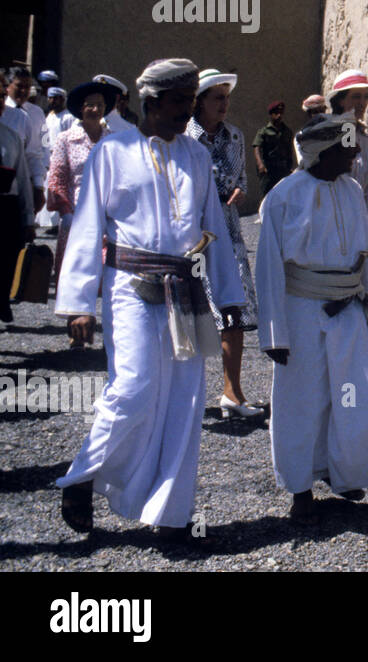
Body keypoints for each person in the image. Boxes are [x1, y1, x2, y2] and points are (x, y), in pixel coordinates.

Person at [56, 59, 244, 541]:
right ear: (153, 101)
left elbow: (215, 228)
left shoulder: (197, 156)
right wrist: (80, 301)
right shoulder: (114, 150)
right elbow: (87, 225)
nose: (188, 110)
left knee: (185, 397)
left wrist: (228, 296)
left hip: (185, 290)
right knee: (135, 388)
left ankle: (171, 514)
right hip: (130, 287)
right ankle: (83, 477)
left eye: (191, 101)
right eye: (180, 101)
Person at [257, 114, 368, 526]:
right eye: (345, 150)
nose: (353, 157)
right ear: (320, 152)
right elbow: (270, 270)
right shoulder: (283, 196)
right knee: (302, 401)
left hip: (347, 310)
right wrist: (273, 332)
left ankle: (343, 472)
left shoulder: (350, 191)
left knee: (350, 393)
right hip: (301, 314)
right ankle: (300, 487)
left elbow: (365, 253)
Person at [186, 68, 262, 419]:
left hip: (230, 236)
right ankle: (187, 397)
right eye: (217, 98)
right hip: (196, 240)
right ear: (199, 102)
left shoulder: (234, 136)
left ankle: (233, 391)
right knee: (195, 315)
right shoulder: (186, 138)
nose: (224, 104)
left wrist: (240, 191)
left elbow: (243, 178)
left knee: (234, 312)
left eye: (227, 97)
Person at [45, 80, 119, 345]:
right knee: (75, 271)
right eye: (90, 104)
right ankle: (76, 332)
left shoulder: (113, 139)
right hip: (76, 214)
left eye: (100, 104)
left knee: (109, 270)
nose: (95, 109)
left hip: (108, 214)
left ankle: (112, 332)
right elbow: (57, 176)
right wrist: (65, 210)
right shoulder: (66, 139)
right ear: (80, 108)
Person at [328, 69, 368, 207]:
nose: (362, 103)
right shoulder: (326, 136)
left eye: (366, 97)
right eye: (356, 97)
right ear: (340, 100)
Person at [0, 118, 34, 325]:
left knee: (5, 266)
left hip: (5, 210)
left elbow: (22, 178)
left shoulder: (11, 137)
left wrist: (28, 219)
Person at [3, 66, 45, 218]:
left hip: (20, 186)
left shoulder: (34, 113)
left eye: (28, 87)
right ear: (7, 86)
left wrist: (39, 186)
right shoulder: (4, 112)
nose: (24, 91)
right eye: (19, 86)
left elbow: (36, 152)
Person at [37, 87, 75, 233]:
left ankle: (59, 223)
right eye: (50, 98)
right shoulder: (48, 117)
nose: (52, 101)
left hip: (63, 159)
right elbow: (44, 139)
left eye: (56, 98)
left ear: (62, 99)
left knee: (61, 190)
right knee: (50, 189)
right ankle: (47, 223)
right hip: (49, 158)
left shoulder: (69, 117)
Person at [253, 100, 297, 196]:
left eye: (281, 113)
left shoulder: (287, 131)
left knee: (285, 194)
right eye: (276, 113)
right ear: (271, 114)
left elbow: (289, 149)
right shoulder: (264, 131)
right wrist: (260, 164)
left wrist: (290, 166)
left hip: (283, 169)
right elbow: (256, 147)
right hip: (269, 169)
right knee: (266, 195)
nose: (279, 115)